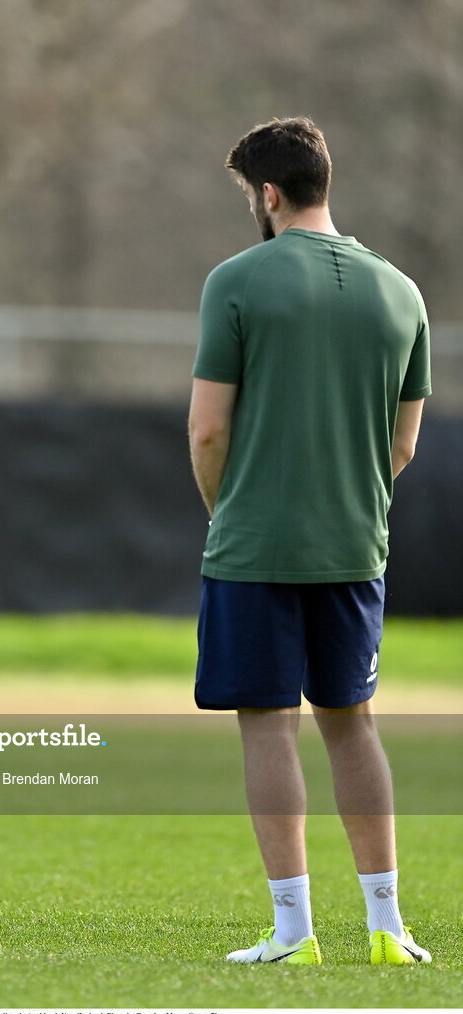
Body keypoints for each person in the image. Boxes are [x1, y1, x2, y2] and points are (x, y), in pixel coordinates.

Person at [188, 118, 431, 965]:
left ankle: (293, 933)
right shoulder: (402, 291)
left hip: (256, 544)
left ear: (265, 193)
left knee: (267, 726)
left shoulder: (236, 281)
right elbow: (401, 445)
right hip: (355, 545)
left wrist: (229, 513)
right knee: (352, 725)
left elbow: (207, 433)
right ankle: (386, 928)